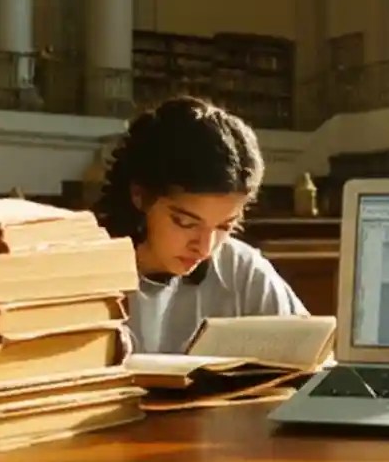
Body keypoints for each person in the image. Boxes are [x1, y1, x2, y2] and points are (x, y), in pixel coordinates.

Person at [95, 96, 307, 354]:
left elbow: (311, 361)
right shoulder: (82, 273)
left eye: (225, 226)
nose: (205, 249)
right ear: (139, 196)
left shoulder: (241, 270)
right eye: (185, 222)